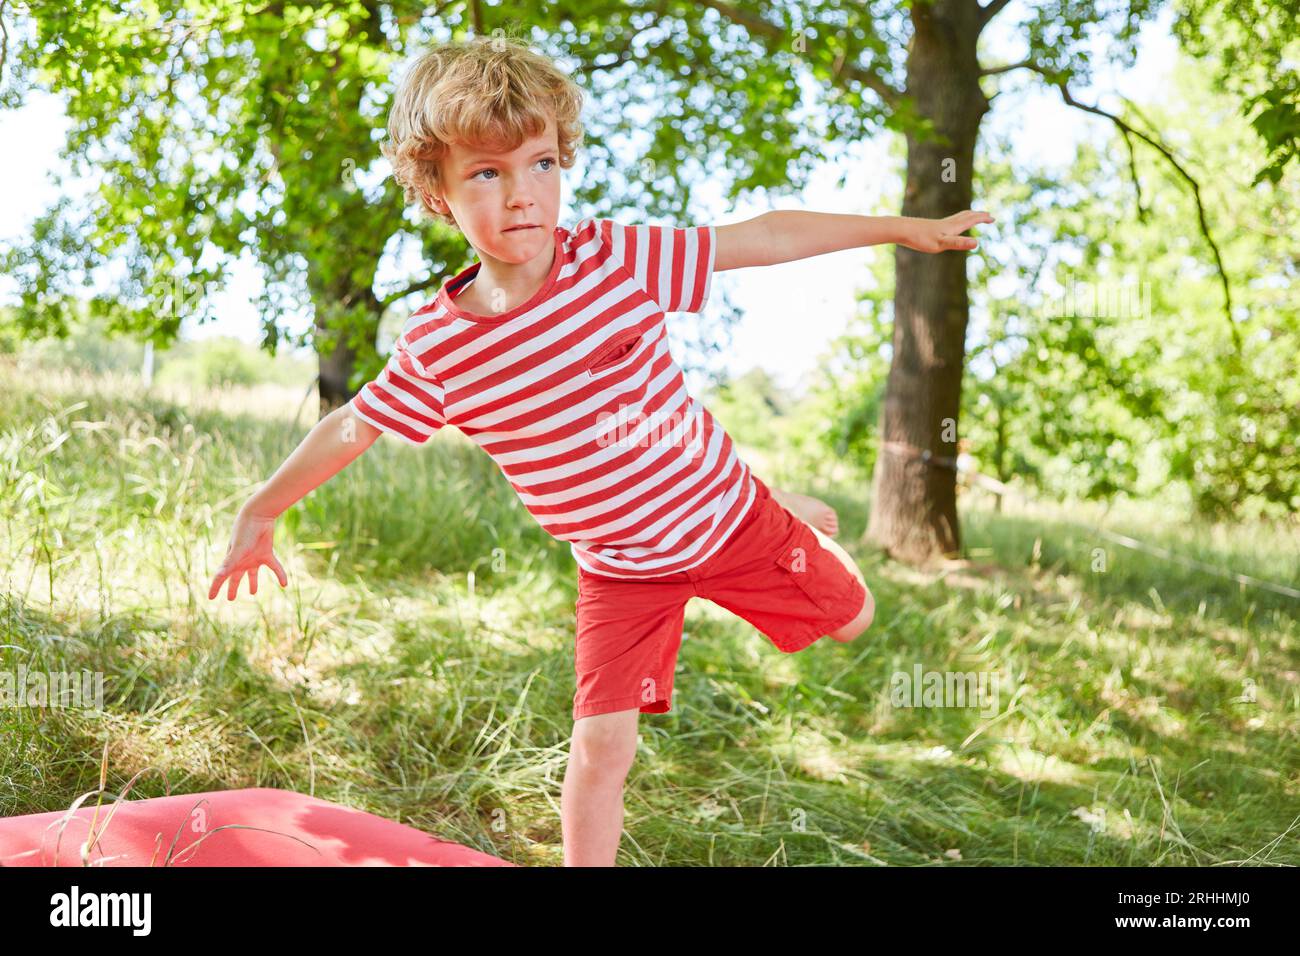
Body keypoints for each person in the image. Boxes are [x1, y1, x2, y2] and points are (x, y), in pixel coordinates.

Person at [207, 35, 994, 867]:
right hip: (620, 567)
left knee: (855, 620)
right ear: (436, 188)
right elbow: (353, 425)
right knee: (600, 748)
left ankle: (786, 513)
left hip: (728, 519)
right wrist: (262, 506)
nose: (523, 195)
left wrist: (909, 228)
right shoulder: (440, 347)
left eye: (541, 164)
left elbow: (760, 238)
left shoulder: (615, 258)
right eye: (487, 172)